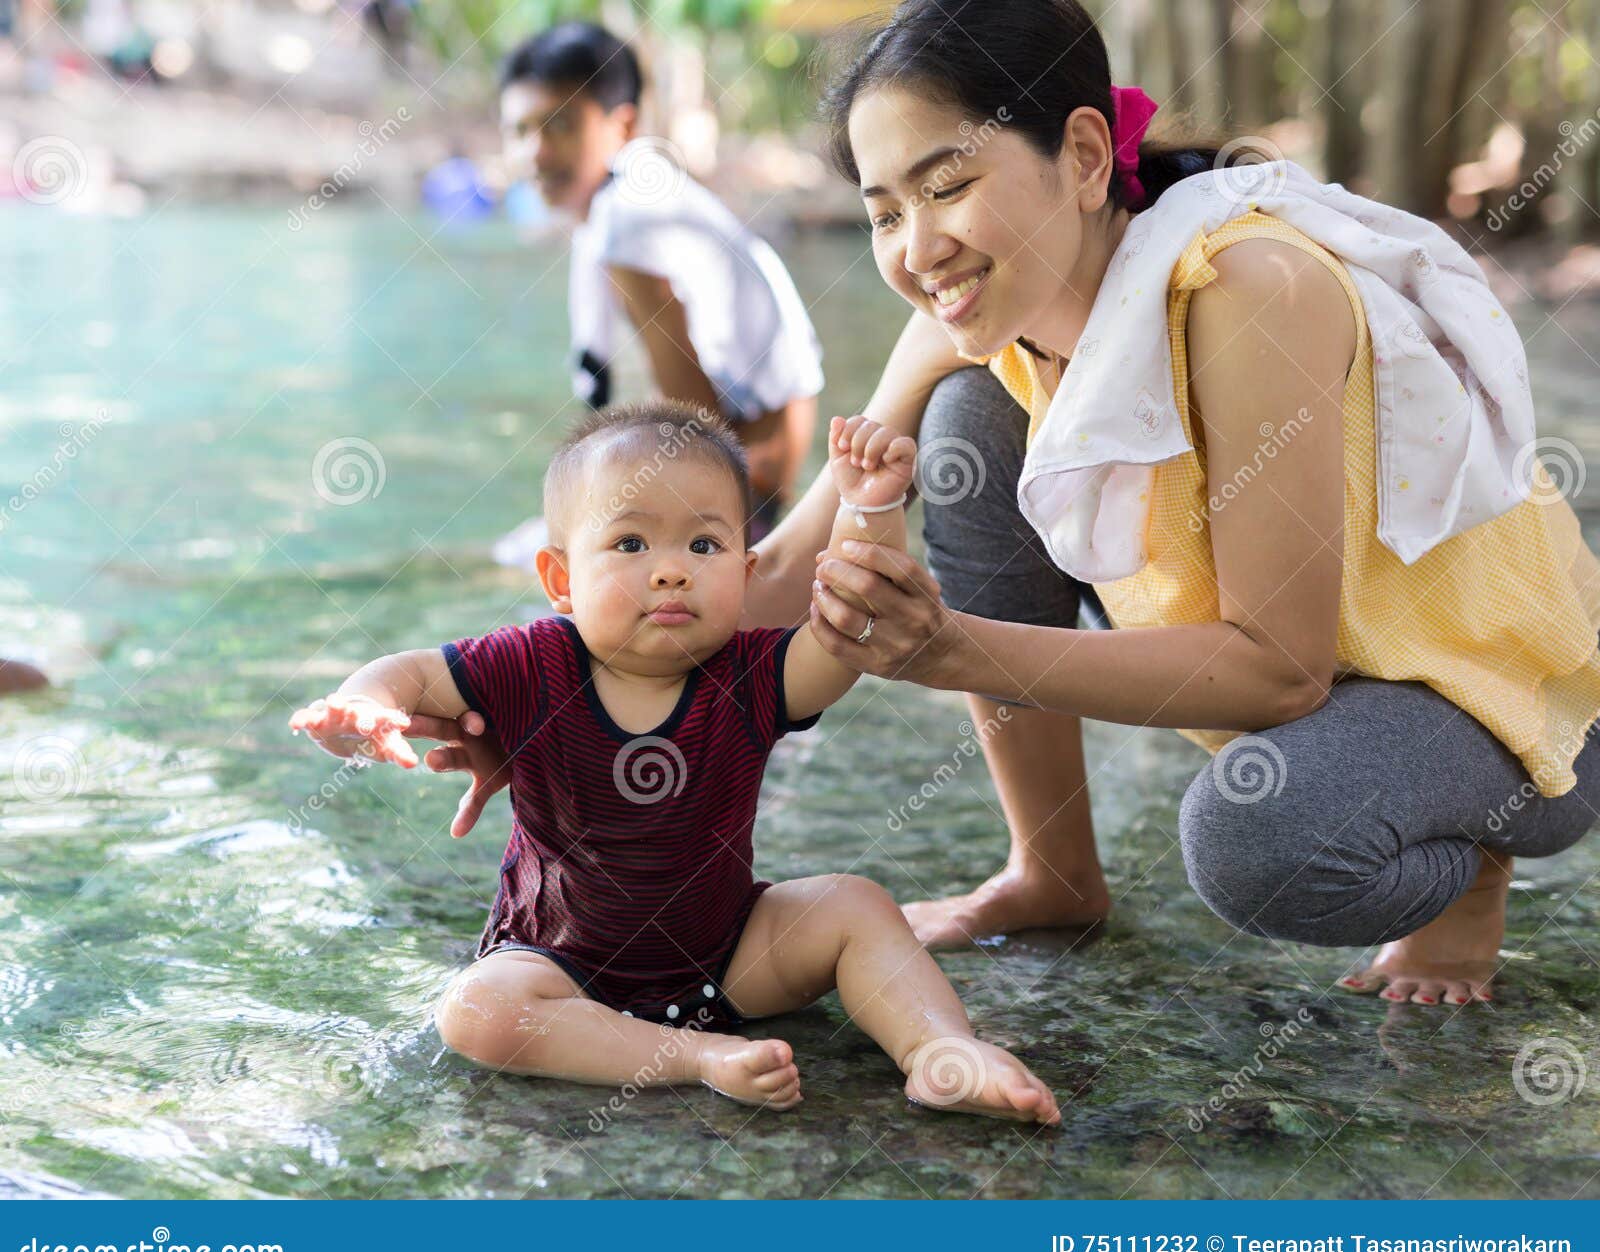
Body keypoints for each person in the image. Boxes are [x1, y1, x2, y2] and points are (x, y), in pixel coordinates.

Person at [423, 0, 1600, 1012]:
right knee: (968, 430)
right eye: (885, 209)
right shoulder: (975, 313)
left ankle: (1471, 856)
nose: (914, 244)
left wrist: (951, 649)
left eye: (949, 184)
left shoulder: (1248, 290)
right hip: (1332, 693)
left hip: (1501, 703)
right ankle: (1051, 872)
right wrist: (536, 697)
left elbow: (1279, 673)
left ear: (1086, 156)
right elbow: (778, 572)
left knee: (1256, 844)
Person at [290, 400, 1059, 1124]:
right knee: (477, 1012)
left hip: (724, 958)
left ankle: (938, 1048)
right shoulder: (532, 663)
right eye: (630, 543)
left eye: (704, 545)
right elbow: (414, 672)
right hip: (563, 965)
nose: (671, 570)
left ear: (748, 574)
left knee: (854, 905)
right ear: (560, 579)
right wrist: (366, 703)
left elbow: (854, 631)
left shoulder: (751, 674)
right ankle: (697, 1058)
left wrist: (871, 507)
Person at [497, 21, 822, 550]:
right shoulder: (636, 200)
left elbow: (694, 429)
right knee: (521, 554)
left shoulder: (628, 225)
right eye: (519, 130)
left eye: (558, 126)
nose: (536, 152)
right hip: (740, 489)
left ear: (621, 127)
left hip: (736, 505)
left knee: (525, 565)